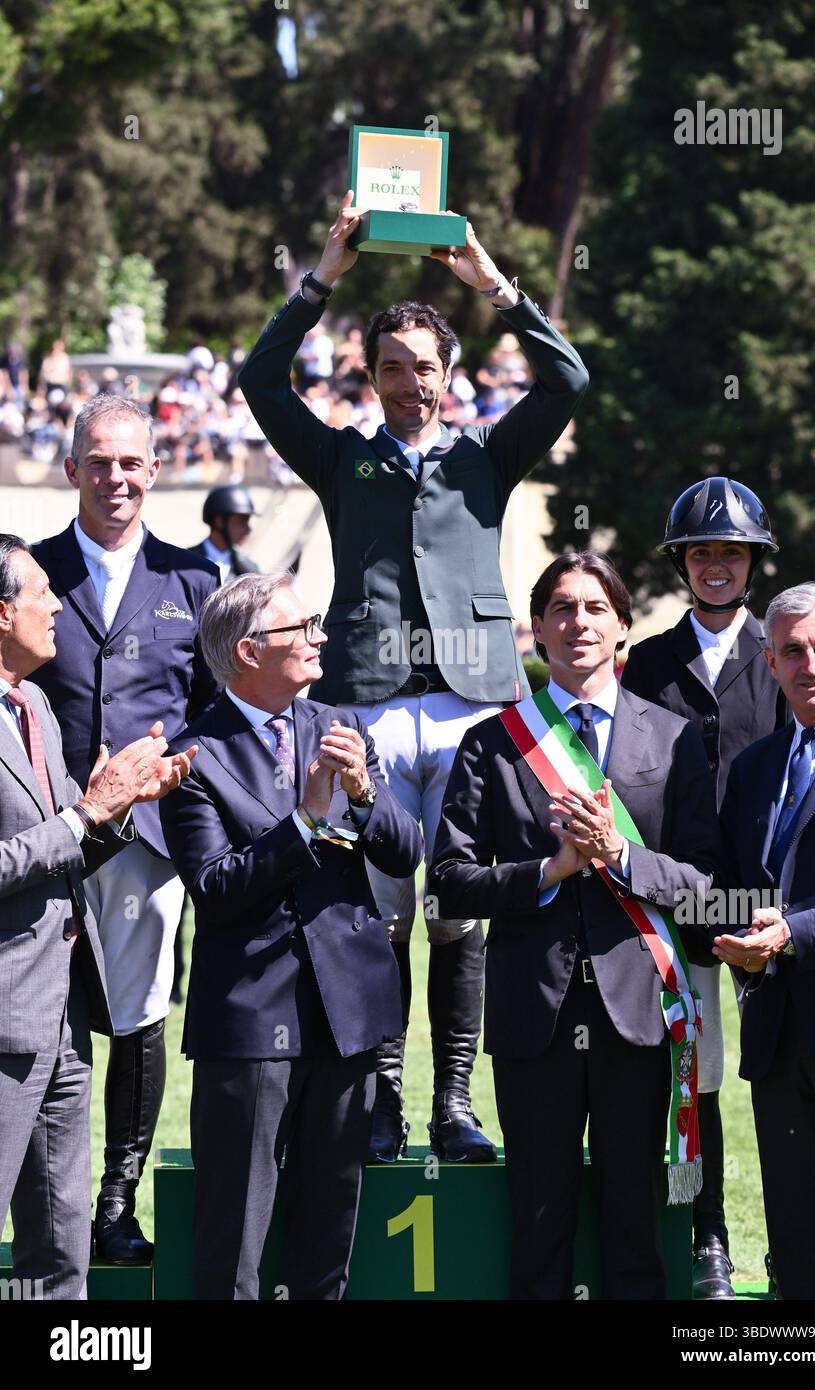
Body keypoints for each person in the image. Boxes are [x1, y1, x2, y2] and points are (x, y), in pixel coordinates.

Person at [238, 191, 589, 1162]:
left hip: (478, 707)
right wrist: (321, 279)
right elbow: (260, 382)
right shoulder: (341, 460)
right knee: (384, 916)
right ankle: (384, 1098)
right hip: (374, 706)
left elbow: (566, 377)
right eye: (392, 369)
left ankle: (454, 1104)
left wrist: (484, 278)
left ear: (449, 375)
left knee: (462, 916)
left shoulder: (486, 454)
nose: (410, 385)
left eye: (425, 369)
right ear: (371, 375)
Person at [429, 552, 721, 1299]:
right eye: (562, 608)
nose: (578, 622)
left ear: (623, 626)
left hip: (639, 1010)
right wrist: (549, 872)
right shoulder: (492, 744)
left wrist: (620, 854)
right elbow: (450, 882)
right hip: (535, 1016)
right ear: (535, 630)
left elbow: (703, 883)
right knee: (538, 1223)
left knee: (635, 1225)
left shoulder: (677, 739)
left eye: (595, 608)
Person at [159, 573, 423, 1299]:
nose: (318, 637)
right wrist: (305, 822)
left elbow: (404, 853)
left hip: (349, 1017)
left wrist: (365, 796)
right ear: (248, 651)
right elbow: (215, 889)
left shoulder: (339, 724)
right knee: (232, 1241)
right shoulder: (193, 757)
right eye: (300, 627)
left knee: (328, 1233)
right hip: (249, 1022)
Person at [29, 393, 220, 1264]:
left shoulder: (194, 578)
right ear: (71, 469)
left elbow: (213, 712)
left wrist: (170, 767)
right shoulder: (29, 573)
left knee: (140, 1022)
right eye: (98, 461)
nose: (116, 477)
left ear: (156, 468)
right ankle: (45, 1211)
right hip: (47, 832)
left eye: (131, 461)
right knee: (43, 1023)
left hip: (149, 841)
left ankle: (117, 1203)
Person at [0, 535, 196, 1299]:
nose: (57, 606)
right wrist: (87, 813)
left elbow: (62, 850)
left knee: (61, 1258)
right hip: (6, 1019)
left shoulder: (38, 704)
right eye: (43, 592)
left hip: (64, 1014)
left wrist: (123, 809)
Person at [620, 476, 786, 1299]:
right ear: (682, 562)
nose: (716, 565)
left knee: (787, 1068)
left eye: (731, 551)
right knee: (701, 1071)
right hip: (673, 897)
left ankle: (796, 1238)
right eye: (701, 551)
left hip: (765, 901)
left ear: (754, 560)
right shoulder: (646, 662)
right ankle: (709, 1233)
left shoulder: (782, 654)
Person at [715, 583, 815, 1301]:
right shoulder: (752, 769)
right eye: (793, 651)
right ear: (770, 663)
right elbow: (734, 886)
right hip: (776, 1042)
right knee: (802, 1260)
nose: (811, 664)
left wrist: (794, 934)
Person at [191, 483, 260, 581]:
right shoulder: (184, 562)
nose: (248, 528)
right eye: (241, 521)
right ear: (219, 521)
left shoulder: (250, 571)